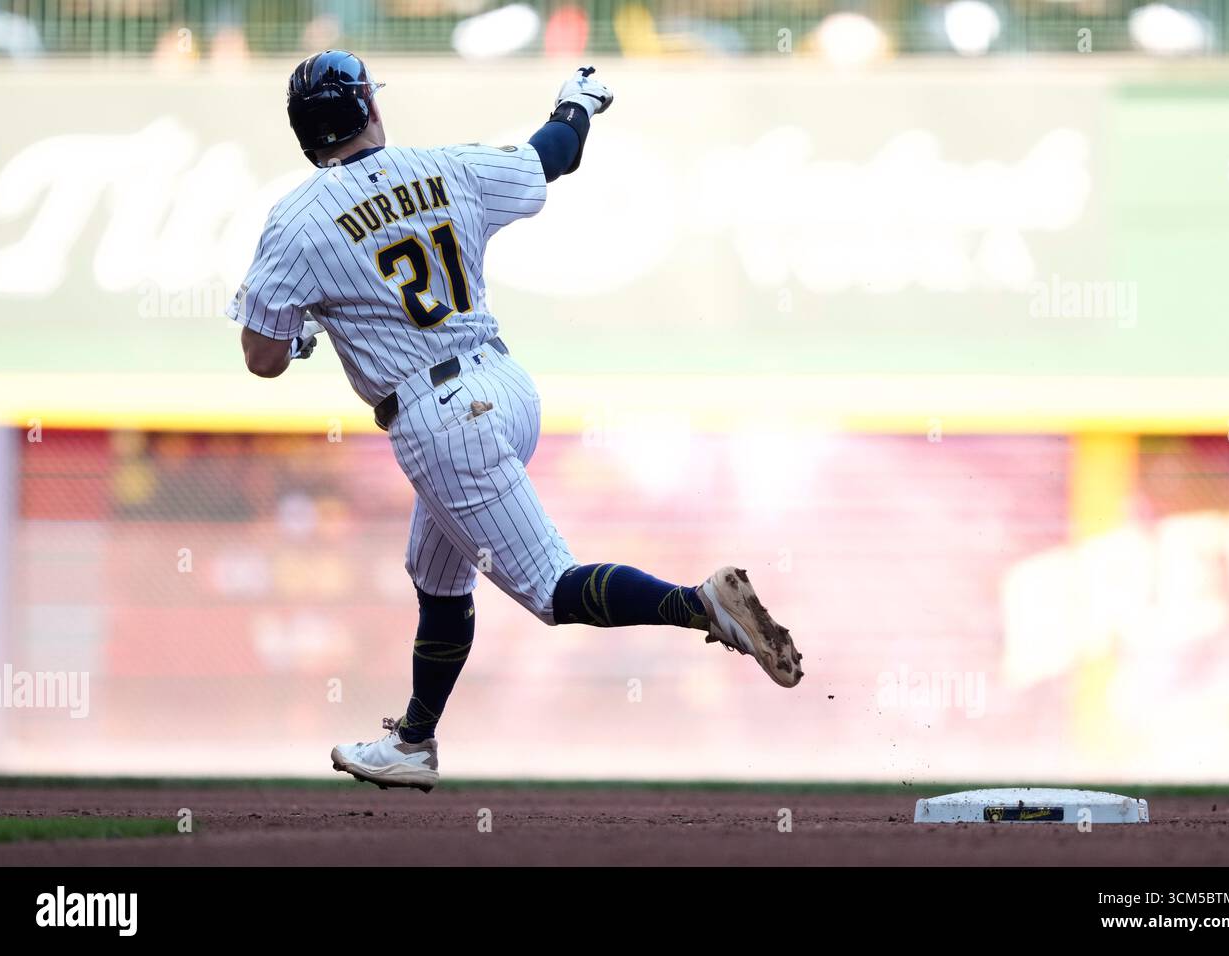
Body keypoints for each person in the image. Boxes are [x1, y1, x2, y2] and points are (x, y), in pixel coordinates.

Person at [227, 51, 803, 792]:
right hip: (504, 383)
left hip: (437, 416)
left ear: (304, 132)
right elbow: (548, 158)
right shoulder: (444, 166)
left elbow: (262, 358)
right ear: (369, 105)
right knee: (436, 574)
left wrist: (303, 333)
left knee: (552, 591)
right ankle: (413, 741)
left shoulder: (296, 218)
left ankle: (701, 606)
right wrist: (577, 106)